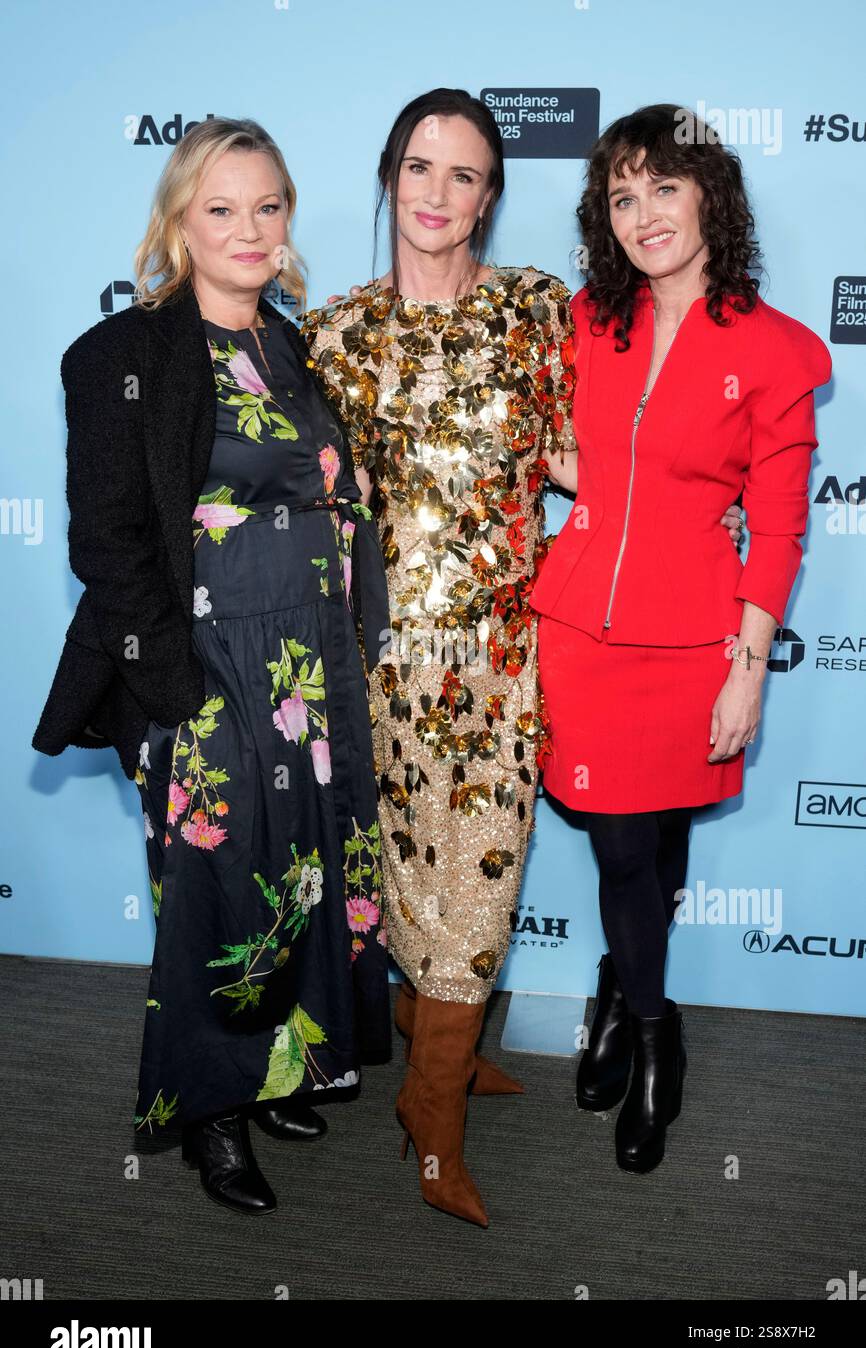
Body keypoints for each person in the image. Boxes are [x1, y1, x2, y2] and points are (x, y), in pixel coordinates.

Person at [301, 89, 745, 1223]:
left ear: (490, 196)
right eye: (418, 168)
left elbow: (588, 455)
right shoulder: (335, 335)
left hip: (504, 653)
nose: (436, 195)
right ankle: (436, 1049)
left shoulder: (537, 313)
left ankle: (431, 1114)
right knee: (407, 882)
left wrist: (698, 515)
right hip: (382, 657)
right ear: (390, 177)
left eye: (463, 175)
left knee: (483, 879)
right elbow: (304, 503)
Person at [32, 117, 392, 1216]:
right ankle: (209, 1115)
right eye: (220, 209)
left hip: (307, 666)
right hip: (204, 664)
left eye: (267, 206)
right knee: (215, 887)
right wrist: (169, 691)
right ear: (179, 222)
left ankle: (280, 1063)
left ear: (288, 222)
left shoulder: (295, 346)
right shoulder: (123, 354)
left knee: (301, 873)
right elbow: (110, 540)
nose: (247, 229)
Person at [529, 104, 832, 1174]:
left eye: (663, 185)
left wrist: (746, 671)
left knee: (657, 838)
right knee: (619, 840)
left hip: (696, 637)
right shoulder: (581, 322)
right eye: (620, 195)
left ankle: (630, 998)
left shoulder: (775, 348)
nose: (642, 213)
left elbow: (781, 524)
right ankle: (654, 1022)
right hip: (579, 627)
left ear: (710, 193)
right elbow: (571, 458)